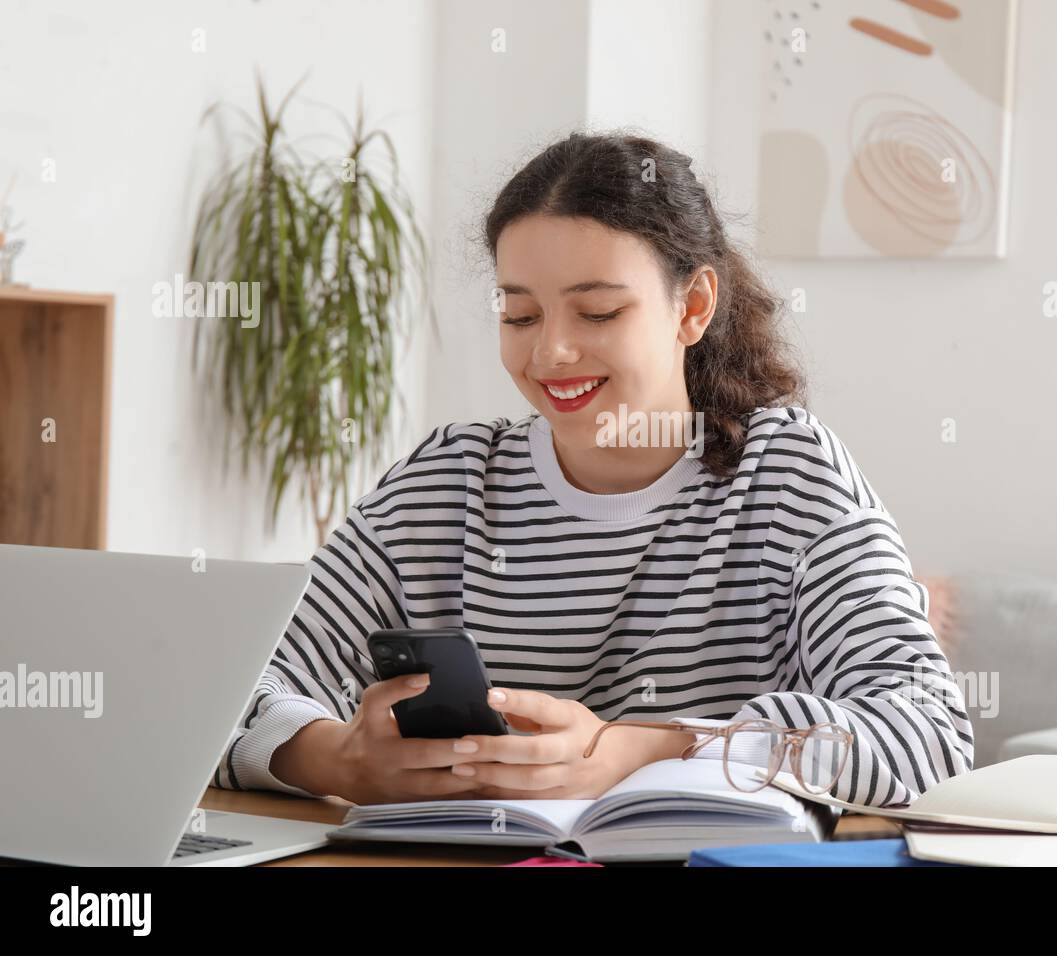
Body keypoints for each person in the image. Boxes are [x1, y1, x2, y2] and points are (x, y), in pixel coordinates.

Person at [212, 130, 974, 808]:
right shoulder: (446, 484)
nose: (550, 354)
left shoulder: (788, 478)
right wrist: (339, 760)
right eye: (519, 315)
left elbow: (927, 737)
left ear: (693, 306)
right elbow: (219, 695)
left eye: (598, 313)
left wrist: (642, 747)